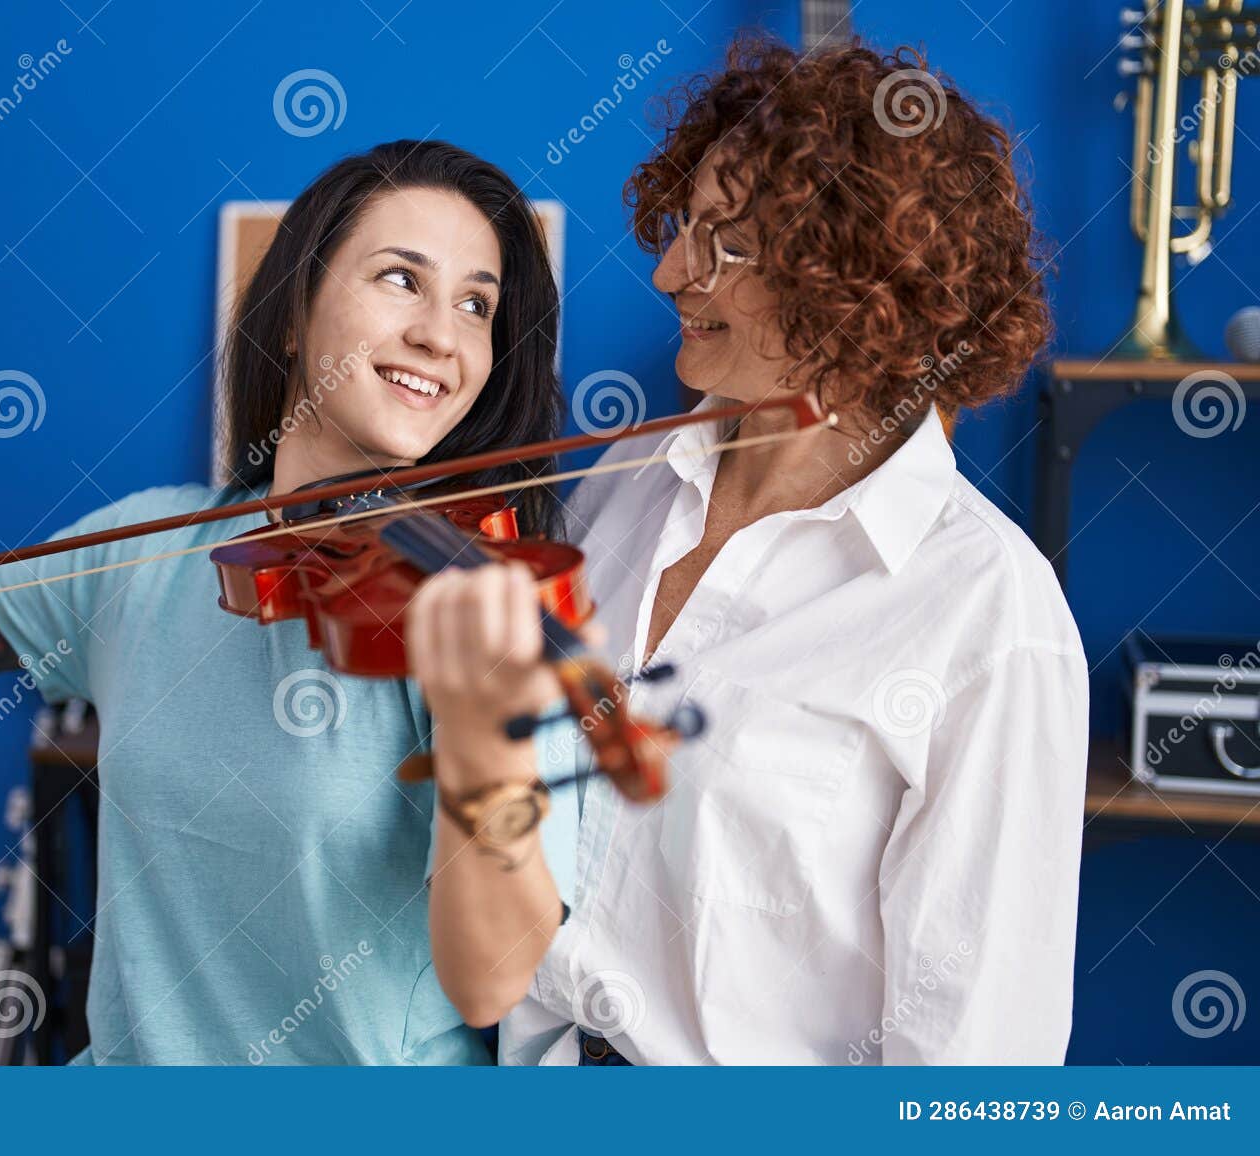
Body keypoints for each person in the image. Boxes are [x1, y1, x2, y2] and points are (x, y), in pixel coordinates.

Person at [0, 139, 568, 1065]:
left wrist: (483, 744)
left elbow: (492, 980)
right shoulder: (147, 549)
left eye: (477, 304)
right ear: (293, 317)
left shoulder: (479, 612)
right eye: (402, 279)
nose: (442, 334)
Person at [411, 38, 1088, 1064]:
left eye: (723, 246)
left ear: (857, 284)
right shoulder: (626, 479)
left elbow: (975, 1063)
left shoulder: (989, 612)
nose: (668, 271)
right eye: (685, 228)